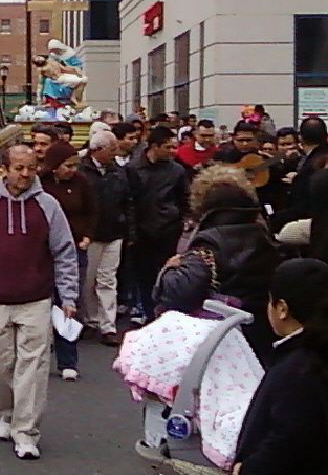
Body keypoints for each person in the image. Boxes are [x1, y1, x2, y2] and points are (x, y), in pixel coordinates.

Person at [0, 145, 79, 460]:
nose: (25, 174)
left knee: (33, 368)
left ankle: (26, 432)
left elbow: (64, 252)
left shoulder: (48, 205)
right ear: (5, 170)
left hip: (36, 299)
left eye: (31, 168)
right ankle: (8, 413)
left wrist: (68, 296)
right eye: (19, 168)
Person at [153, 165, 280, 361]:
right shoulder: (262, 234)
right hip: (261, 333)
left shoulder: (208, 243)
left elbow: (179, 293)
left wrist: (168, 270)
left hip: (217, 338)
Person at [232, 258, 328, 475]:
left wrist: (248, 471)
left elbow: (289, 438)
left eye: (270, 301)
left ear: (282, 309)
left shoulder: (299, 367)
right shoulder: (314, 353)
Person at [38, 140, 95, 381]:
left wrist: (88, 236)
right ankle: (38, 357)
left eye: (74, 165)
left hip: (74, 249)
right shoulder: (39, 184)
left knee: (68, 303)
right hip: (42, 252)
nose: (72, 170)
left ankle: (68, 360)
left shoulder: (81, 182)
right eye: (68, 165)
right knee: (39, 305)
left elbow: (92, 210)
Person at [126, 125, 190, 322]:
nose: (173, 151)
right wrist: (131, 230)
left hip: (168, 228)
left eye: (174, 147)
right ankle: (148, 312)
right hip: (141, 230)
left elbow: (184, 198)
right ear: (154, 146)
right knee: (144, 276)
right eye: (168, 147)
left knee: (167, 273)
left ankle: (166, 312)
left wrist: (182, 218)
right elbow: (129, 200)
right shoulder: (133, 168)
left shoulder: (176, 170)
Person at [77, 130, 133, 347]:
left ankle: (108, 326)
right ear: (97, 150)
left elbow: (128, 200)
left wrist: (129, 229)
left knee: (108, 280)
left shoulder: (117, 171)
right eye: (111, 149)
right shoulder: (82, 172)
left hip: (114, 232)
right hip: (91, 235)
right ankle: (91, 319)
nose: (115, 153)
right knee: (88, 281)